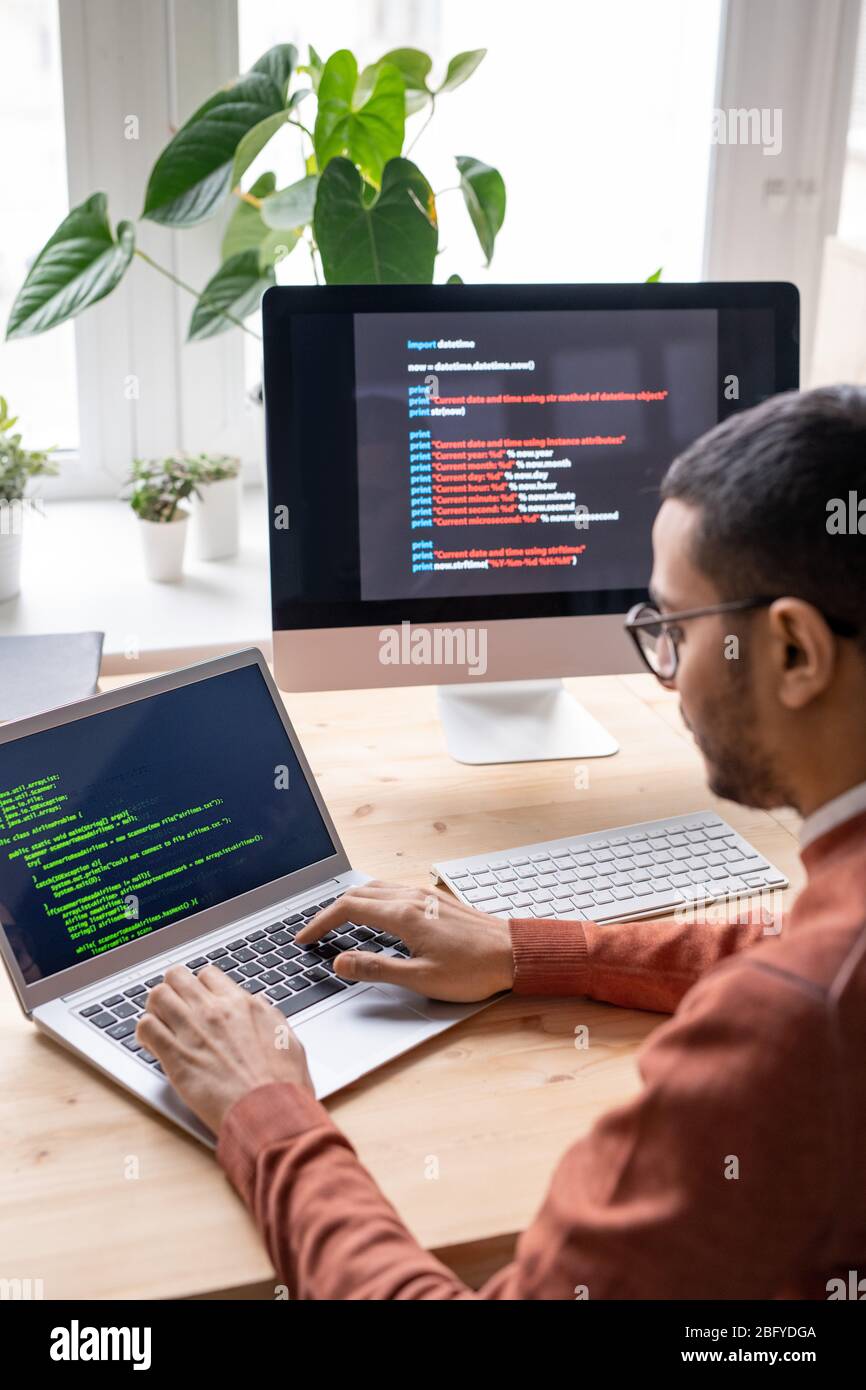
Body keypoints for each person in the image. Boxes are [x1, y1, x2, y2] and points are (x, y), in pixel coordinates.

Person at [137, 385, 866, 1300]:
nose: (667, 678)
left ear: (797, 652)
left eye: (672, 630)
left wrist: (263, 1109)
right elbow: (803, 947)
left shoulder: (784, 1030)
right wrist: (529, 949)